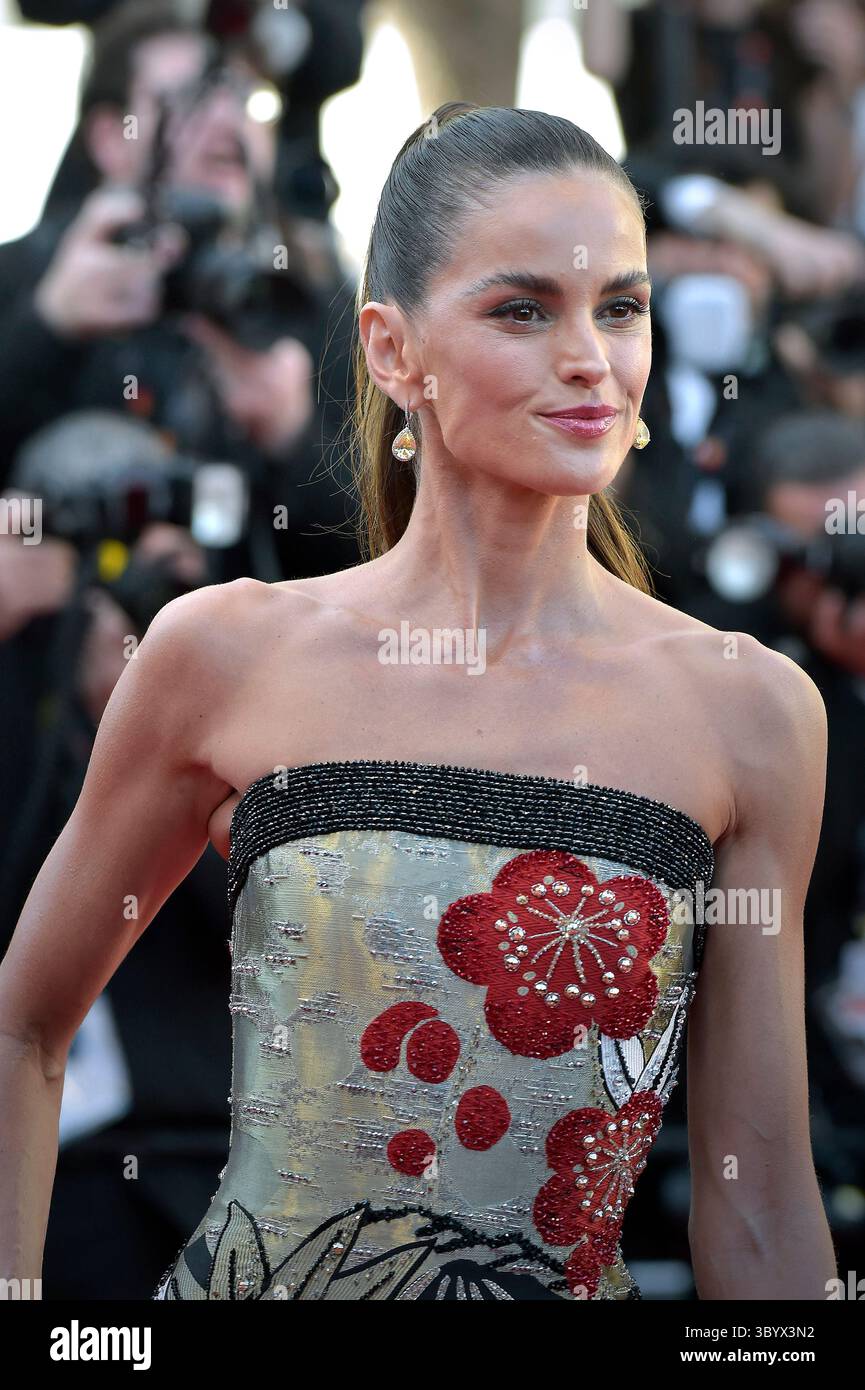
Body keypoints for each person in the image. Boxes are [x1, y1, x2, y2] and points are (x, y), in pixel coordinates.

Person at [0, 102, 836, 1301]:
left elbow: (757, 1201)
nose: (588, 356)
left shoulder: (750, 712)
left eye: (620, 306)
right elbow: (23, 1029)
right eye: (521, 308)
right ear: (392, 351)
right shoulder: (224, 652)